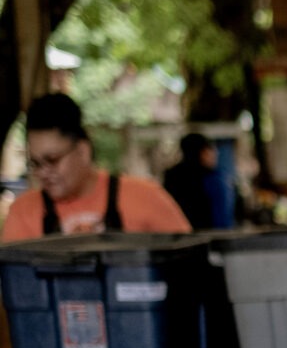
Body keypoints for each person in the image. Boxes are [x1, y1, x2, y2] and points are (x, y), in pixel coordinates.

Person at [3, 93, 191, 240]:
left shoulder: (145, 197)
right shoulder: (24, 211)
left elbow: (191, 260)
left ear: (83, 151)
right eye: (35, 163)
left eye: (52, 160)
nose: (43, 172)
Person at [162, 132, 221, 230]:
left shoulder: (171, 176)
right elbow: (221, 220)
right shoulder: (212, 179)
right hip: (207, 238)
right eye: (209, 150)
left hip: (176, 237)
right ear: (201, 152)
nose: (215, 154)